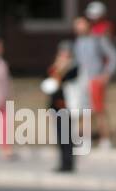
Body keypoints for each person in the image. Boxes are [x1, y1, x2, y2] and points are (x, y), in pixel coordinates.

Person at [73, 13, 116, 149]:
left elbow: (114, 56)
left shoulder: (98, 40)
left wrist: (106, 74)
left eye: (81, 24)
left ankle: (105, 139)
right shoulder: (78, 42)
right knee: (83, 111)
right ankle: (85, 139)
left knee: (99, 110)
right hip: (81, 81)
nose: (79, 27)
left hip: (95, 79)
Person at [42, 43, 81, 174]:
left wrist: (62, 69)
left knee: (67, 137)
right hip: (56, 107)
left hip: (67, 107)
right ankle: (63, 162)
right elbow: (49, 82)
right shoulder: (54, 69)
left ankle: (68, 163)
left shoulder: (73, 69)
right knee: (60, 136)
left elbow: (66, 79)